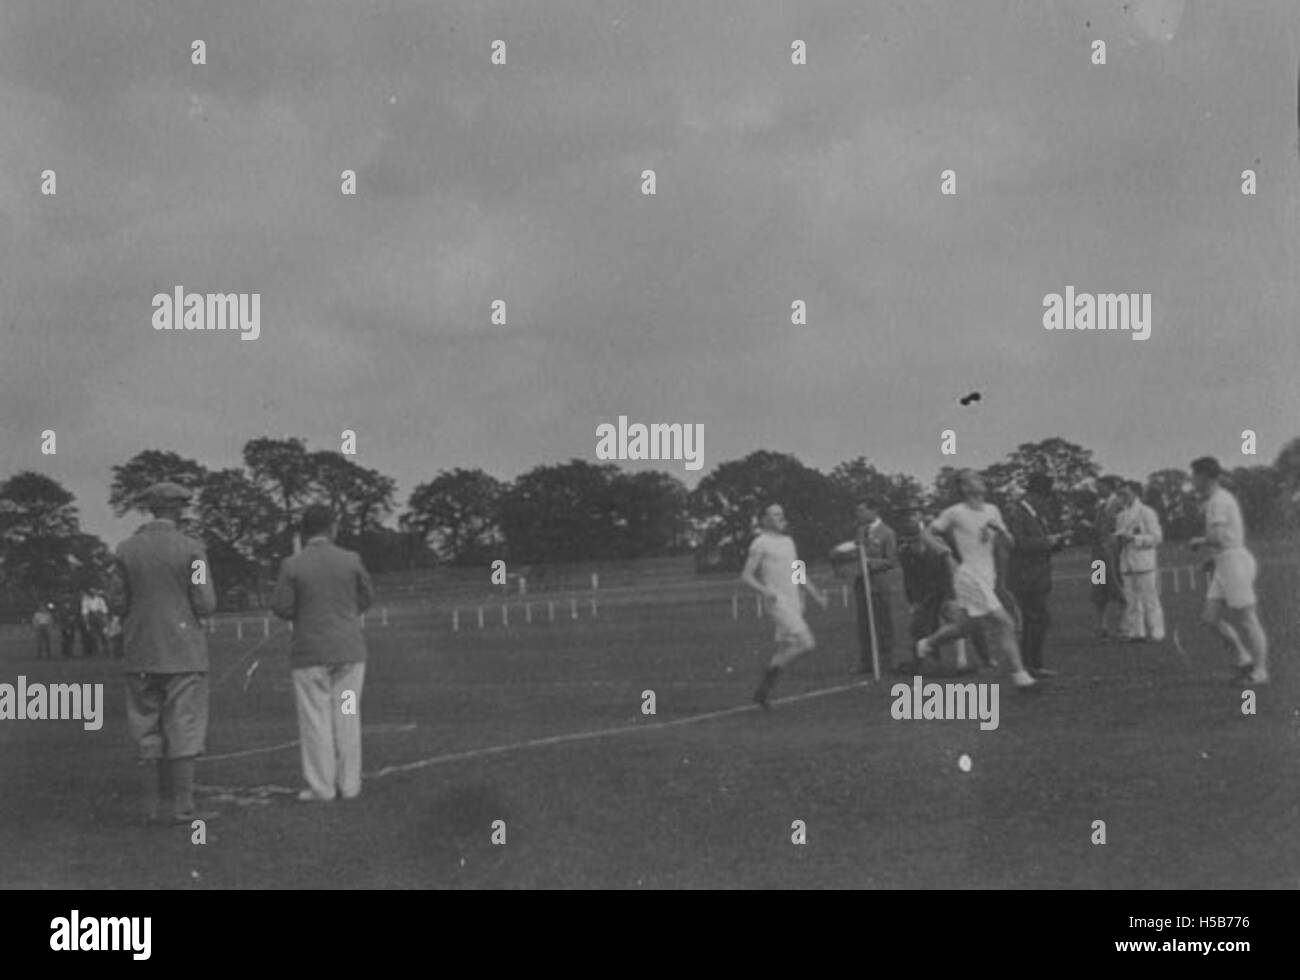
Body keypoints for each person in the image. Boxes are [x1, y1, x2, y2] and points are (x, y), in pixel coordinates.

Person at [107, 481, 218, 826]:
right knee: (183, 726)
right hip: (183, 652)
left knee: (145, 727)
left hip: (140, 649)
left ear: (150, 508)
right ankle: (183, 807)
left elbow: (116, 601)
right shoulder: (192, 550)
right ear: (179, 509)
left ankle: (150, 808)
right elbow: (206, 602)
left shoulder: (125, 550)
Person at [271, 504, 376, 802]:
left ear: (304, 531)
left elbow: (281, 606)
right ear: (332, 527)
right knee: (347, 716)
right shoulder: (350, 559)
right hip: (348, 651)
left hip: (310, 652)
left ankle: (322, 787)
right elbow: (367, 596)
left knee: (316, 720)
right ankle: (350, 784)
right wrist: (344, 613)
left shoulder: (292, 565)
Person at [914, 470, 1039, 690]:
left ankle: (927, 643)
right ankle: (1021, 676)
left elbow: (1010, 543)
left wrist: (1000, 531)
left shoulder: (993, 510)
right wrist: (945, 553)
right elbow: (927, 534)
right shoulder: (955, 512)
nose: (981, 481)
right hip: (969, 577)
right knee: (1005, 622)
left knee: (963, 628)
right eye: (974, 478)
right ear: (964, 487)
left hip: (987, 576)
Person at [1188, 457, 1268, 686]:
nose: (1192, 481)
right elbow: (1222, 541)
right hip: (1225, 562)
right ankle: (1244, 658)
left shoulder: (1219, 501)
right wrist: (1213, 560)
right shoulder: (1215, 500)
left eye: (1194, 476)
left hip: (1235, 563)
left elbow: (1218, 537)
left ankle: (1260, 672)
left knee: (1248, 619)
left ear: (1205, 476)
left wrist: (1198, 541)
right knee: (1210, 618)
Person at [741, 503, 829, 707]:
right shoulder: (759, 543)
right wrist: (766, 591)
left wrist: (816, 594)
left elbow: (798, 571)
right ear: (765, 520)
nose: (780, 518)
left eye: (781, 514)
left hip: (795, 601)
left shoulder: (789, 541)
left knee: (786, 648)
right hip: (777, 603)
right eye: (775, 514)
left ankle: (762, 692)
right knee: (807, 643)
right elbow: (746, 576)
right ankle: (767, 676)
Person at [896, 505, 967, 673]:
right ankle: (932, 660)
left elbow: (947, 573)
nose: (912, 544)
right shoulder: (904, 553)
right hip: (925, 592)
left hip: (946, 587)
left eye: (914, 540)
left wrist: (950, 597)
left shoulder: (937, 548)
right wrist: (913, 602)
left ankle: (964, 658)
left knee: (957, 622)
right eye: (908, 541)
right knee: (921, 625)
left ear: (921, 537)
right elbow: (909, 579)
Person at [1006, 473, 1065, 678]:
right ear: (1036, 496)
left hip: (1037, 575)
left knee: (1037, 620)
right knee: (1037, 619)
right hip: (1026, 577)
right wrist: (1046, 542)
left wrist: (1055, 543)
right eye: (1045, 497)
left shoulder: (1034, 514)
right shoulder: (1019, 513)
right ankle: (1030, 665)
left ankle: (1031, 664)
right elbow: (1016, 543)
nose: (1047, 502)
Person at [850, 499, 897, 674]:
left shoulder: (888, 533)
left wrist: (870, 563)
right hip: (861, 584)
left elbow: (891, 560)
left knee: (882, 624)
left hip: (879, 585)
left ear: (873, 511)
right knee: (864, 625)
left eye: (861, 511)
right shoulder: (860, 531)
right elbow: (855, 552)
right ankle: (866, 661)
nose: (858, 514)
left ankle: (885, 661)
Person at [1115, 481, 1165, 643]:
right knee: (1131, 600)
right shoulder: (1121, 516)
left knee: (1150, 599)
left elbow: (1157, 538)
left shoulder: (1146, 512)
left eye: (1125, 494)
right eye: (1120, 494)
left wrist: (1134, 539)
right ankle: (1136, 632)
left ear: (1135, 494)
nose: (1121, 498)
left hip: (1144, 562)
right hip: (1126, 562)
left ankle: (1157, 631)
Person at [1089, 476, 1127, 637]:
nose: (1097, 490)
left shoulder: (1118, 504)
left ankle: (1124, 623)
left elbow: (1120, 527)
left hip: (1112, 552)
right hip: (1098, 554)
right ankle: (1101, 625)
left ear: (1108, 487)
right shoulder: (1101, 505)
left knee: (1117, 585)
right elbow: (1099, 528)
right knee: (1099, 587)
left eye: (1100, 486)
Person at [81, 588, 109, 657]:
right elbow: (85, 612)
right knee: (94, 636)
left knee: (103, 635)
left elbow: (104, 611)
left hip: (99, 616)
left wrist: (105, 622)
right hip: (92, 617)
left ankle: (106, 651)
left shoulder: (100, 599)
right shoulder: (86, 600)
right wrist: (87, 623)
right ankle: (96, 652)